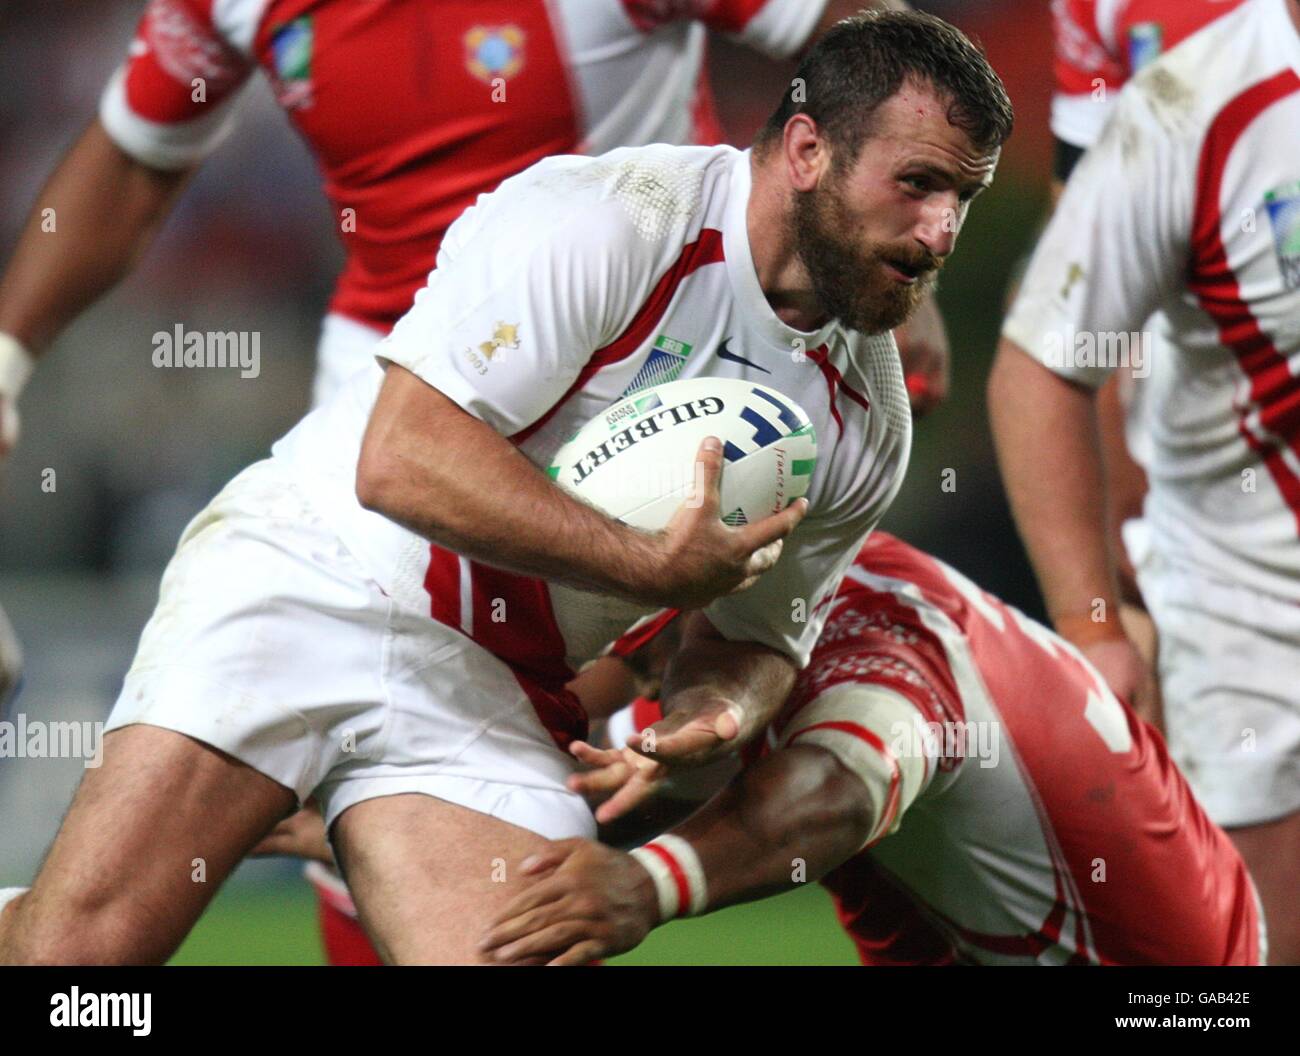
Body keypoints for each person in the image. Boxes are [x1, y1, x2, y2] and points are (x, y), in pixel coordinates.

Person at [0, 10, 1012, 965]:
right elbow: (399, 461)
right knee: (79, 972)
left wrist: (713, 719)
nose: (939, 232)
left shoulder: (866, 419)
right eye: (917, 184)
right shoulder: (612, 220)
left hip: (490, 694)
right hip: (312, 576)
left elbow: (751, 641)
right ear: (805, 151)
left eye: (963, 198)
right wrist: (646, 564)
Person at [479, 533, 1265, 967]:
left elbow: (839, 786)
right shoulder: (761, 618)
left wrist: (647, 886)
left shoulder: (875, 648)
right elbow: (618, 760)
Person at [988, 0, 1300, 962]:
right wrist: (1094, 626)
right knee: (1240, 968)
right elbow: (1041, 364)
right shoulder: (1192, 100)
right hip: (1251, 600)